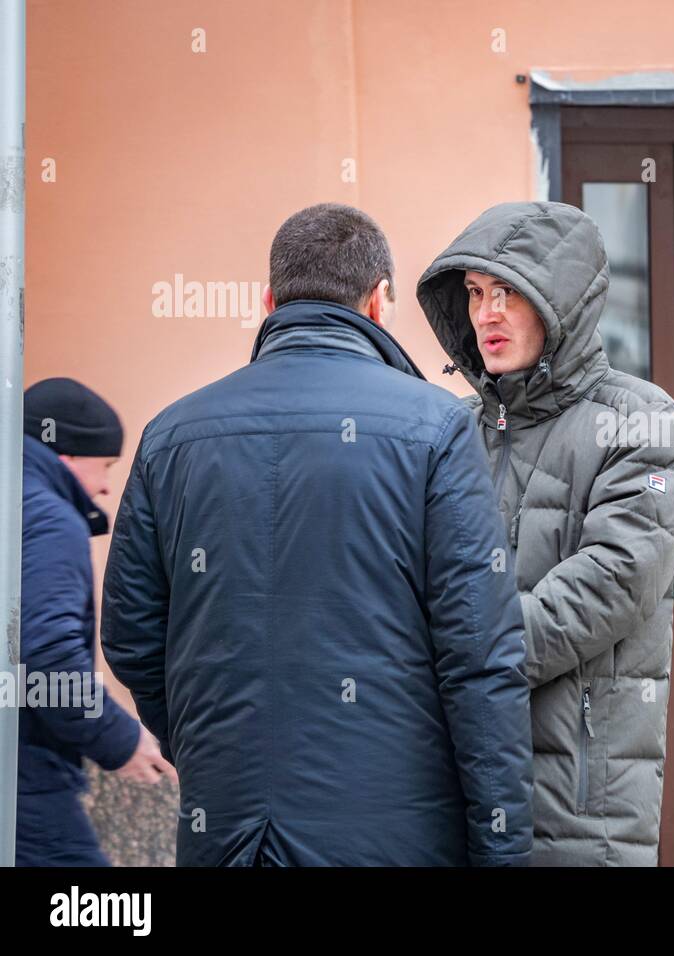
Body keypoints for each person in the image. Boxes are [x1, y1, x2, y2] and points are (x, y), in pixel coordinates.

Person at [101, 203, 533, 866]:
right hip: (391, 837)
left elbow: (131, 639)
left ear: (269, 301)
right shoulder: (436, 428)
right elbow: (480, 658)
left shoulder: (172, 436)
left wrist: (210, 747)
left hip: (226, 830)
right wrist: (502, 847)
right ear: (379, 301)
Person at [417, 201, 674, 866]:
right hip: (445, 770)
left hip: (578, 786)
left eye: (509, 292)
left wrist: (464, 659)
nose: (487, 313)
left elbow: (616, 578)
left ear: (562, 301)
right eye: (477, 293)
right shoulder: (449, 429)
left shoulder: (640, 420)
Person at [16, 377, 176, 867]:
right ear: (66, 454)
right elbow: (46, 656)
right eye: (104, 465)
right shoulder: (46, 517)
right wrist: (119, 739)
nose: (107, 485)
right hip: (25, 773)